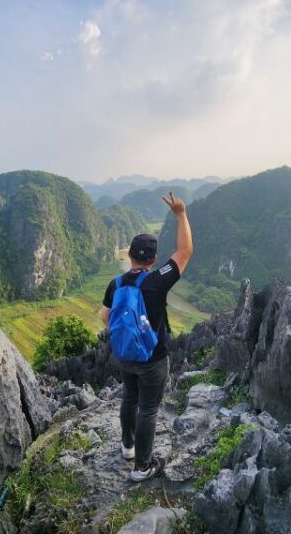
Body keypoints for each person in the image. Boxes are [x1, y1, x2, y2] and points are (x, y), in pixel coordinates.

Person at [100, 190, 193, 482]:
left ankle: (127, 447)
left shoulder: (116, 283)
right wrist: (180, 214)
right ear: (153, 259)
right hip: (153, 358)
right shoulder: (156, 279)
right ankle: (142, 467)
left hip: (124, 355)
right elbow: (185, 251)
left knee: (129, 397)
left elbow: (104, 317)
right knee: (149, 408)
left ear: (129, 255)